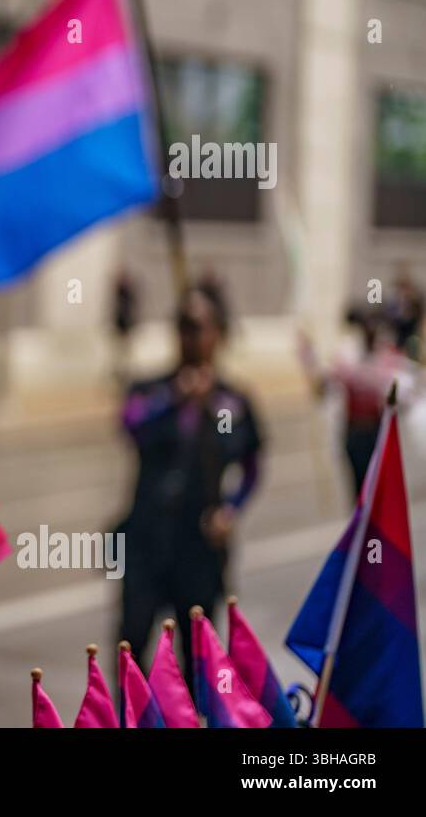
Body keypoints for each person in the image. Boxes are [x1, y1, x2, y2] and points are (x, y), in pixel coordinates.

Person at [114, 285, 264, 682]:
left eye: (198, 326)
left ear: (218, 332)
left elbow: (251, 463)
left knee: (199, 662)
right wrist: (176, 397)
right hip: (146, 542)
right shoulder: (150, 390)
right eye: (182, 325)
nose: (190, 336)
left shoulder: (233, 402)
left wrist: (231, 509)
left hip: (199, 547)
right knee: (130, 650)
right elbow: (130, 424)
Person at [298, 305, 411, 503]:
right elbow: (322, 388)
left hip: (379, 433)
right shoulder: (347, 357)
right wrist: (309, 359)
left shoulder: (387, 358)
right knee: (360, 494)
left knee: (379, 496)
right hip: (355, 434)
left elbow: (402, 397)